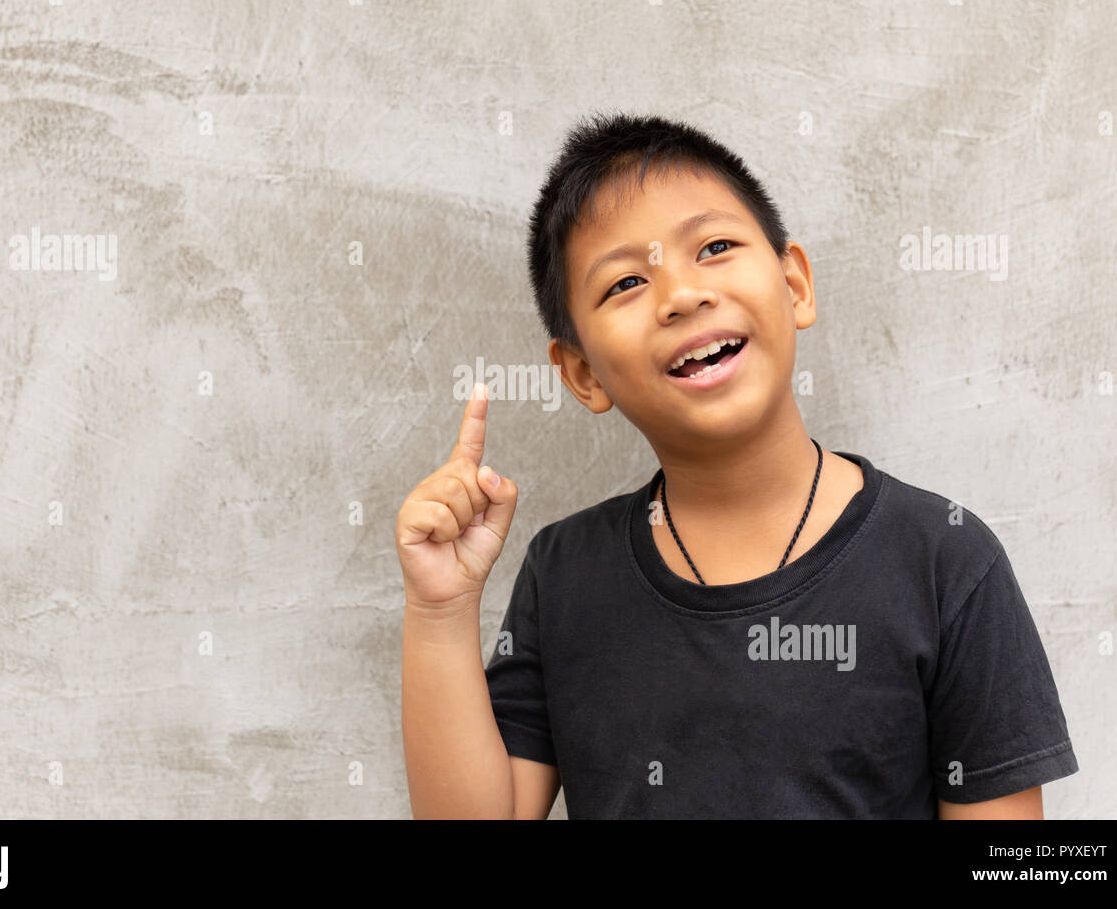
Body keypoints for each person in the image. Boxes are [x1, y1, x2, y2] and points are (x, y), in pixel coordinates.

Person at [396, 111, 1078, 819]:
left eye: (715, 246)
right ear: (581, 374)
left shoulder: (943, 556)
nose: (682, 295)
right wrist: (440, 610)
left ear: (795, 286)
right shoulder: (563, 574)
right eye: (625, 284)